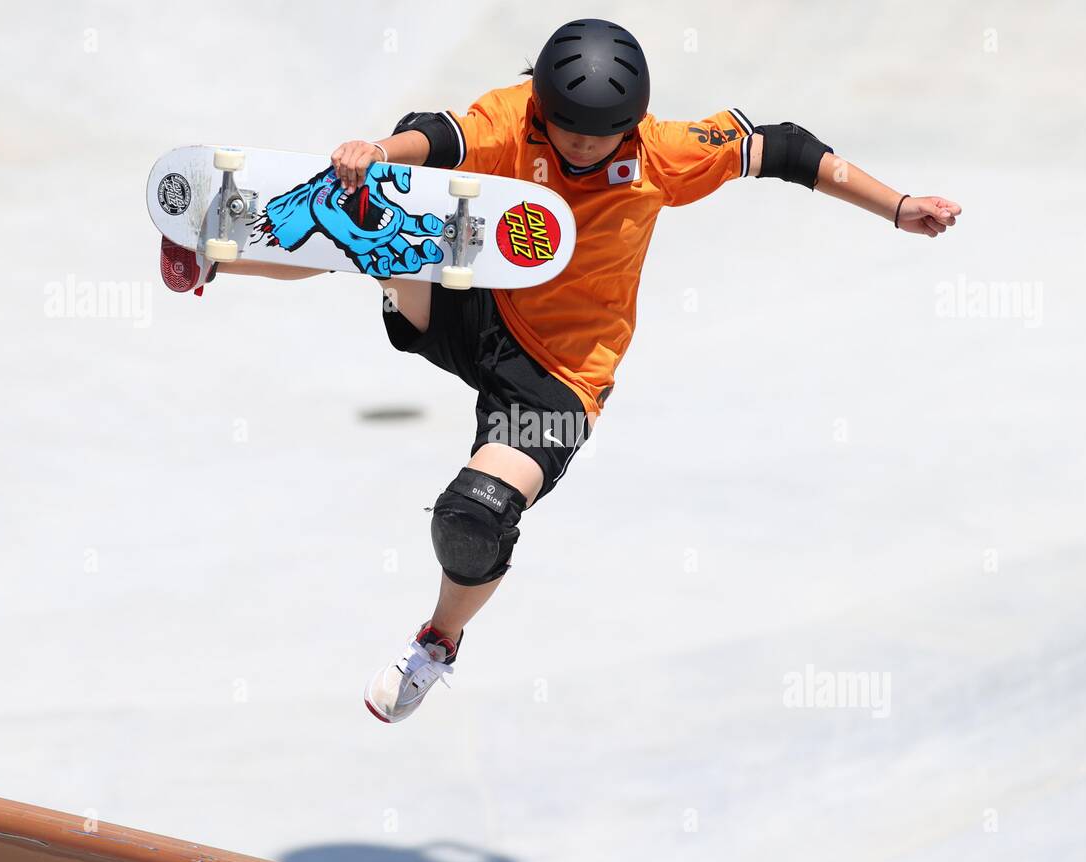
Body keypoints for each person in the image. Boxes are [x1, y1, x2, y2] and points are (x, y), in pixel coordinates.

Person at [161, 18, 961, 723]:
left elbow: (786, 147)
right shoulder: (514, 118)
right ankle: (216, 259)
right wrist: (379, 152)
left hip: (559, 379)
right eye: (565, 130)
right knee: (381, 221)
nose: (578, 147)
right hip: (476, 310)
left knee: (472, 517)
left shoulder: (664, 154)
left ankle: (437, 642)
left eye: (596, 136)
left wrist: (896, 205)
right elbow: (438, 141)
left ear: (630, 123)